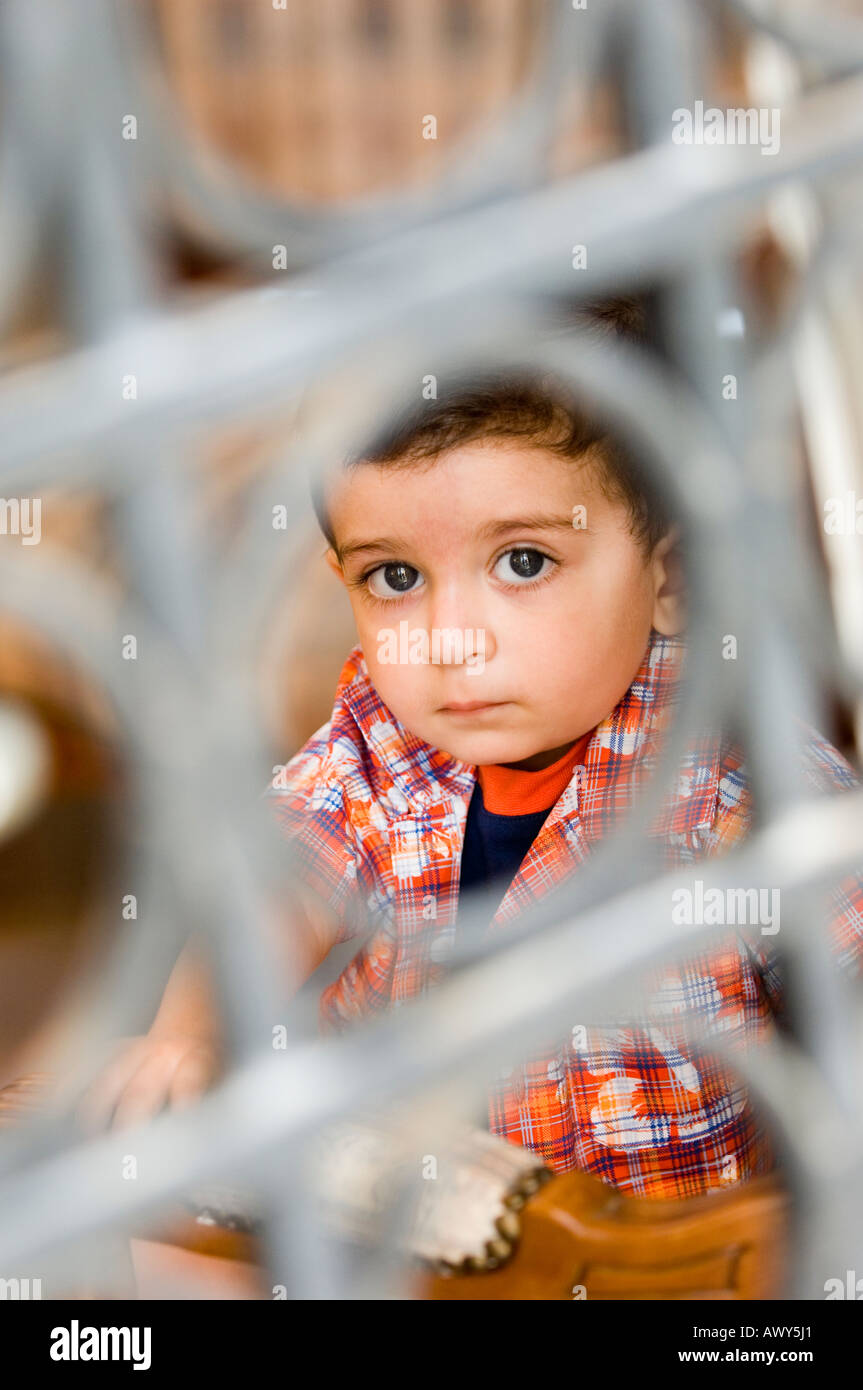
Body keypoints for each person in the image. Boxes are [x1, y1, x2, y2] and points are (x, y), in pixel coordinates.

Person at [78, 300, 863, 1199]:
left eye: (523, 562)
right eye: (396, 578)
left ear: (668, 579)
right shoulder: (375, 749)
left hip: (684, 1262)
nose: (453, 640)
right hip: (428, 1247)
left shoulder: (744, 785)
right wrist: (188, 1034)